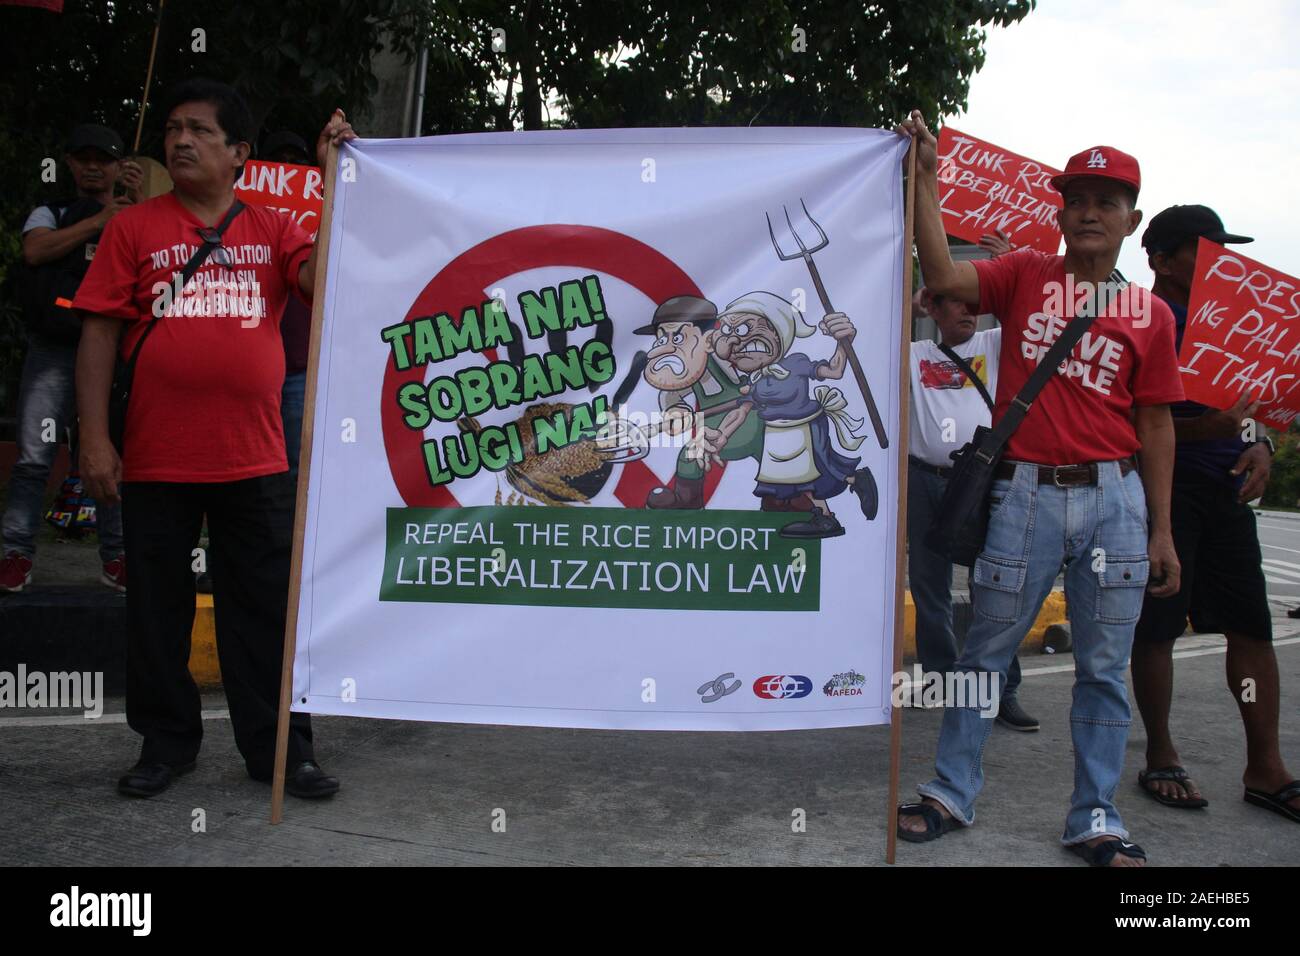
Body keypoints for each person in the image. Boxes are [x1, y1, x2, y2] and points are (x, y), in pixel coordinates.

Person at [896, 112, 1185, 867]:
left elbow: (1156, 426)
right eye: (1077, 198)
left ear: (1132, 218)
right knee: (981, 655)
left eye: (1106, 200)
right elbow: (943, 279)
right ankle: (948, 792)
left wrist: (1161, 530)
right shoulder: (1024, 274)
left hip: (1116, 504)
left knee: (1102, 667)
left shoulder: (1149, 315)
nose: (1089, 211)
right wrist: (926, 177)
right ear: (1059, 212)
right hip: (1023, 496)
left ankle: (1095, 816)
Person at [73, 78, 355, 799]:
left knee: (260, 612)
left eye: (200, 130)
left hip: (253, 455)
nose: (180, 141)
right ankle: (165, 746)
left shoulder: (270, 226)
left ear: (239, 152)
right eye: (173, 129)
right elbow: (99, 332)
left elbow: (323, 283)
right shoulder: (132, 228)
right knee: (156, 610)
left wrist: (334, 183)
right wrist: (95, 440)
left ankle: (281, 752)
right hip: (157, 455)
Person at [1131, 205, 1298, 824]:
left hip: (1228, 498)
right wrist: (1207, 429)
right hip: (1164, 498)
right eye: (1206, 250)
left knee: (1251, 629)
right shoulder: (1141, 320)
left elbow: (1258, 406)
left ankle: (1265, 764)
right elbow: (1125, 423)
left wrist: (1263, 445)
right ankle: (1161, 752)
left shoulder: (1234, 325)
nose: (1219, 262)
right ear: (1161, 259)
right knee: (1157, 630)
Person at [0, 125, 140, 594]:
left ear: (122, 166)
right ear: (69, 163)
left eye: (105, 158)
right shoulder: (51, 211)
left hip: (114, 354)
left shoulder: (135, 214)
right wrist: (99, 222)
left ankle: (117, 558)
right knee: (35, 457)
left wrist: (135, 207)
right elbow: (35, 250)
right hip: (55, 350)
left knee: (111, 459)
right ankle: (15, 554)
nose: (94, 166)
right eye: (84, 158)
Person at [907, 286, 1037, 730]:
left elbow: (1029, 309)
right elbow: (872, 327)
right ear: (934, 309)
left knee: (994, 587)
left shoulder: (995, 342)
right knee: (929, 585)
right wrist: (912, 299)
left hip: (980, 481)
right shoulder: (915, 352)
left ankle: (1002, 690)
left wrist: (1010, 261)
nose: (966, 312)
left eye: (972, 304)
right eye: (954, 303)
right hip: (925, 478)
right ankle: (941, 679)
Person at [703, 293, 877, 537]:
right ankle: (851, 484)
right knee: (793, 480)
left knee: (810, 476)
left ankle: (827, 517)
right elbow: (740, 413)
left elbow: (835, 371)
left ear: (777, 332)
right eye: (728, 332)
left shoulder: (795, 363)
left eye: (742, 328)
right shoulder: (755, 380)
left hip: (804, 427)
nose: (736, 342)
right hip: (777, 434)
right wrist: (722, 434)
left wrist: (843, 341)